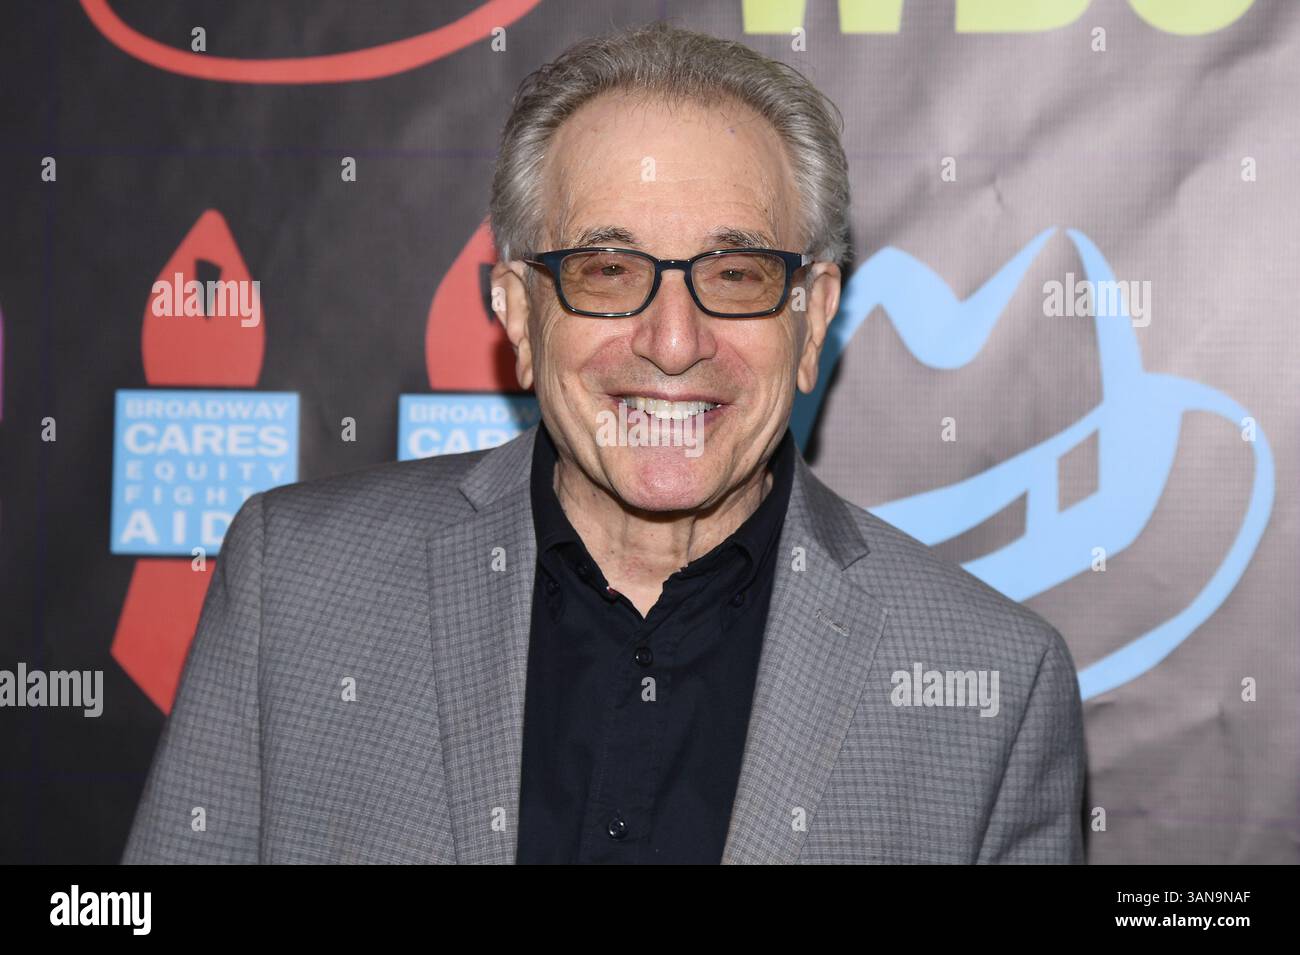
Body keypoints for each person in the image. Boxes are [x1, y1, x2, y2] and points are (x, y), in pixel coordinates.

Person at [123, 21, 1084, 864]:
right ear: (518, 314)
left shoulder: (995, 688)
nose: (673, 340)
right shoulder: (296, 587)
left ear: (812, 316)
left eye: (738, 273)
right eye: (608, 268)